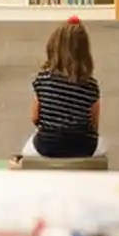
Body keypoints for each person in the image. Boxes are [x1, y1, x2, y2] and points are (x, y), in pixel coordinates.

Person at [19, 17, 103, 159]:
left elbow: (35, 118)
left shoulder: (43, 79)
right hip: (84, 147)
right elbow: (94, 124)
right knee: (103, 147)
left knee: (25, 154)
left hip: (47, 145)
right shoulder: (91, 85)